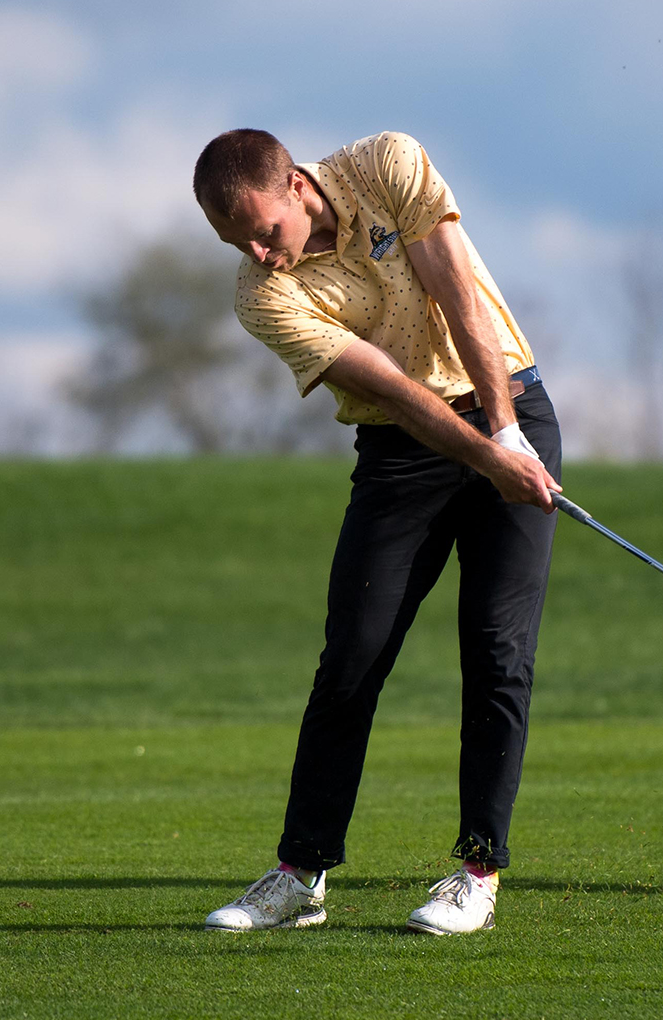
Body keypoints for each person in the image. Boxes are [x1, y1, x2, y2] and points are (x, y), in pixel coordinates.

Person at [190, 128, 563, 936]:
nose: (259, 253)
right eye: (238, 243)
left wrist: (504, 435)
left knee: (498, 653)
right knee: (353, 654)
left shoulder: (386, 163)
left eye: (265, 231)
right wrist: (480, 454)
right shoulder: (262, 295)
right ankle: (301, 874)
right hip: (405, 449)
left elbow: (457, 295)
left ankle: (475, 873)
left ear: (295, 184)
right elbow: (391, 388)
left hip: (509, 404)